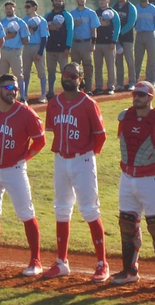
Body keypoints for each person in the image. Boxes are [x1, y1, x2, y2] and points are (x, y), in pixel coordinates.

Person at [111, 81, 155, 288]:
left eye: (141, 95)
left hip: (153, 180)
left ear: (151, 97)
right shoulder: (125, 117)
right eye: (135, 94)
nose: (137, 98)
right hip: (127, 178)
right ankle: (129, 271)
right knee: (127, 223)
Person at [43, 63, 109, 282]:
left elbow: (100, 136)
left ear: (81, 79)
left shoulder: (89, 104)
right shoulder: (54, 103)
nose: (68, 78)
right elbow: (52, 131)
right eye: (65, 74)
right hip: (61, 160)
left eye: (72, 75)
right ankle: (61, 262)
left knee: (90, 210)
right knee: (61, 210)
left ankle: (102, 263)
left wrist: (87, 156)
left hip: (83, 161)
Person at [0, 74, 46, 276]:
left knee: (26, 213)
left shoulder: (27, 114)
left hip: (14, 170)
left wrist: (25, 157)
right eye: (7, 87)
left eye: (15, 87)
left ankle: (35, 261)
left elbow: (40, 142)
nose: (12, 91)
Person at [0, 1, 30, 101]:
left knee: (18, 75)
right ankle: (3, 96)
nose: (8, 10)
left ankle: (22, 96)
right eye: (7, 8)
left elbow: (26, 39)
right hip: (3, 51)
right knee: (2, 75)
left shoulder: (21, 23)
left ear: (14, 9)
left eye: (10, 8)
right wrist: (8, 37)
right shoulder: (2, 22)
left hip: (15, 51)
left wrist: (17, 37)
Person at [22, 0, 49, 103]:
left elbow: (44, 38)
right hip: (27, 47)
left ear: (35, 8)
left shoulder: (42, 21)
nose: (26, 9)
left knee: (41, 72)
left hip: (38, 46)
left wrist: (40, 52)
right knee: (25, 72)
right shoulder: (24, 20)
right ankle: (24, 94)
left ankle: (43, 94)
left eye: (28, 6)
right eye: (25, 6)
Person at [93, 0, 121, 95]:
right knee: (98, 66)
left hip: (109, 43)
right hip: (98, 44)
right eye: (100, 0)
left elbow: (117, 27)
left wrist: (114, 41)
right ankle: (99, 87)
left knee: (110, 66)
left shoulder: (113, 13)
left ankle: (110, 87)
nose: (101, 2)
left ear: (108, 1)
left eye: (104, 0)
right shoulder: (95, 13)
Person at [133, 0, 155, 88]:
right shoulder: (135, 9)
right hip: (139, 34)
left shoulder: (154, 9)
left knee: (152, 58)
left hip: (150, 34)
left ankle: (152, 80)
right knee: (138, 58)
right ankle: (134, 80)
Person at [113, 0, 137, 92]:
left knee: (129, 60)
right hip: (117, 39)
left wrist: (119, 33)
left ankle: (132, 82)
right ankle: (119, 83)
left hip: (127, 38)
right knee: (118, 62)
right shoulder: (113, 7)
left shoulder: (131, 7)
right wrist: (115, 36)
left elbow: (131, 23)